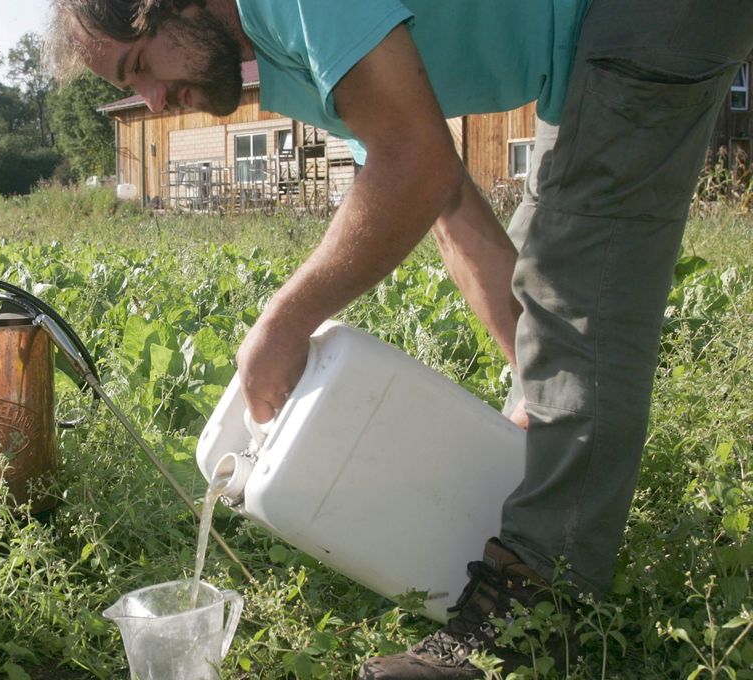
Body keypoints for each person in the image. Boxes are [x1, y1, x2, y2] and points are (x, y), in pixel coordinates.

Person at [44, 1, 753, 677]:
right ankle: (555, 521)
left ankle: (536, 618)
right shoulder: (287, 61)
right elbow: (443, 199)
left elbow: (416, 165)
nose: (153, 101)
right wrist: (545, 398)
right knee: (553, 269)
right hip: (588, 40)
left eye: (141, 64)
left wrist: (284, 321)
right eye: (130, 85)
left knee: (582, 260)